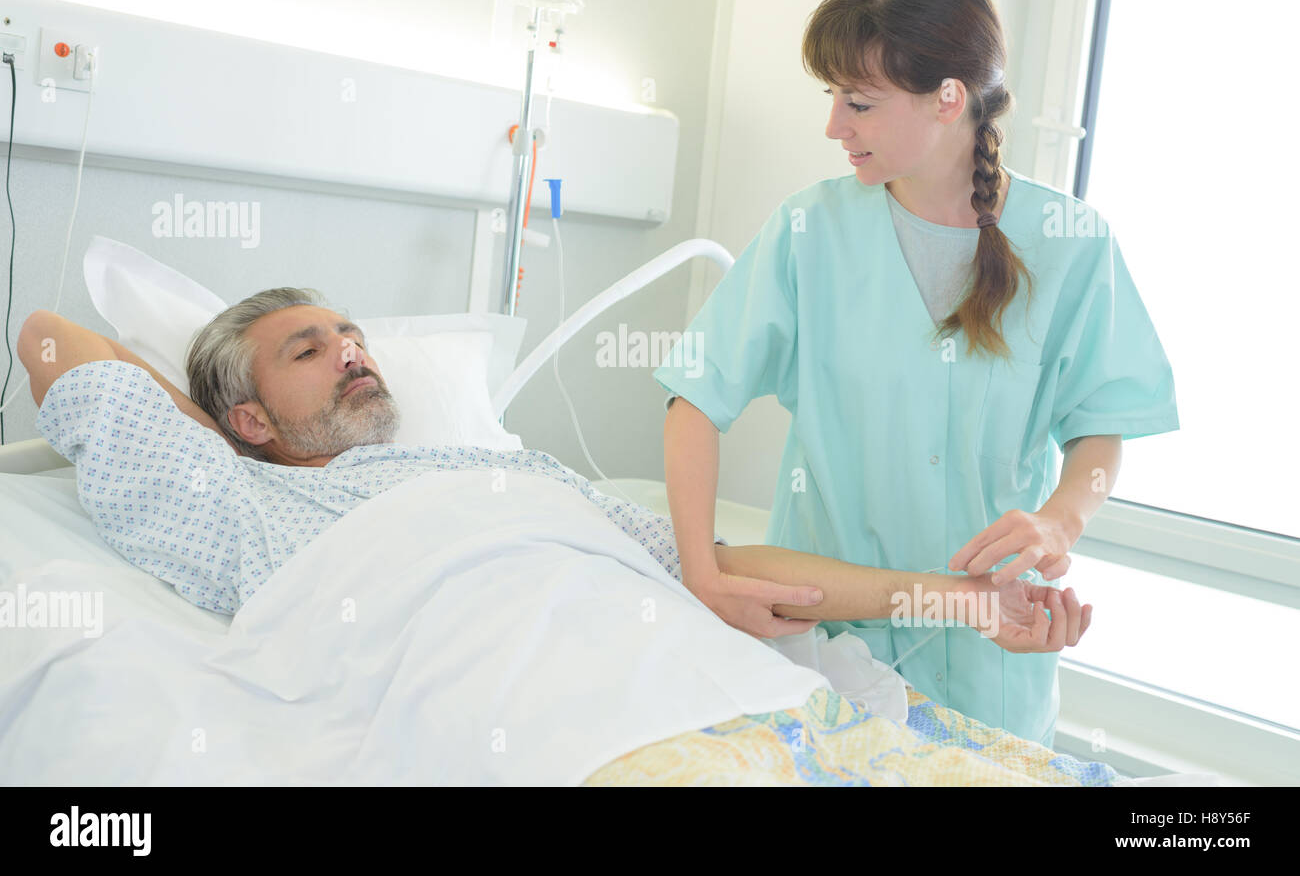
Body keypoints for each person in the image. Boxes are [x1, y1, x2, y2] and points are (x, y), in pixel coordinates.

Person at [654, 0, 1178, 747]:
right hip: (825, 644)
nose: (835, 125)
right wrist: (702, 566)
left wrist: (1060, 523)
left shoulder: (1072, 244)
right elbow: (695, 396)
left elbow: (1101, 424)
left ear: (949, 99)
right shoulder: (811, 232)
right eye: (832, 97)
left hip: (992, 657)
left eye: (858, 103)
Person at [18, 294, 1085, 657]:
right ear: (249, 417)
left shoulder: (505, 471)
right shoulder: (247, 503)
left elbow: (714, 568)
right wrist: (215, 436)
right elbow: (53, 338)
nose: (353, 350)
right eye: (310, 350)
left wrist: (958, 601)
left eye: (354, 335)